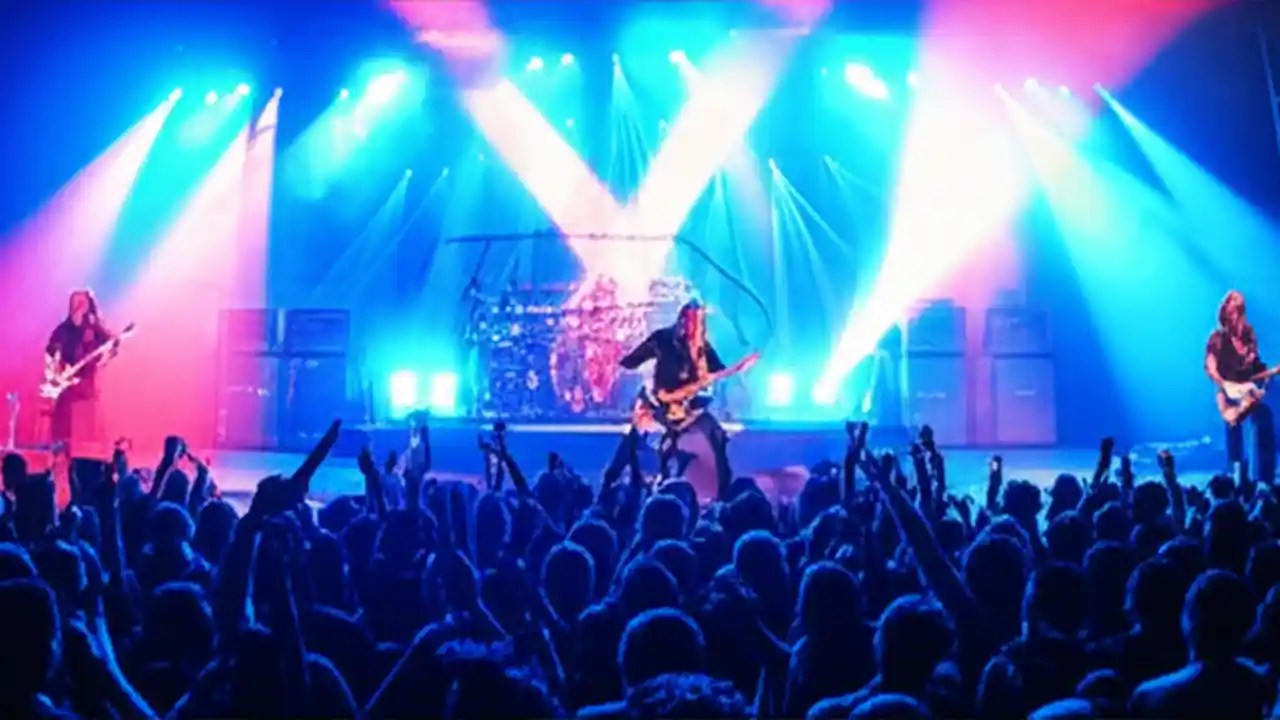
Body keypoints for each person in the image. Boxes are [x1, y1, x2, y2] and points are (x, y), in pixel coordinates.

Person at [619, 300, 755, 502]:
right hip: (662, 405)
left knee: (716, 437)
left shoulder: (702, 348)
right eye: (692, 321)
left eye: (699, 322)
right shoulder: (662, 340)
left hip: (689, 409)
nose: (695, 327)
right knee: (650, 448)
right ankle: (645, 490)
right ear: (683, 319)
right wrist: (646, 394)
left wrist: (740, 370)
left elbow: (717, 371)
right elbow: (631, 362)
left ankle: (722, 494)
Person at [1205, 290, 1275, 485]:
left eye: (1241, 310)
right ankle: (1236, 472)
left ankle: (1261, 475)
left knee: (1262, 414)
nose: (1239, 315)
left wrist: (1267, 373)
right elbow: (1212, 368)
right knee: (1233, 421)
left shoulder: (1249, 336)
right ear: (1226, 313)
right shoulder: (1217, 338)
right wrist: (1226, 384)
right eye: (1235, 310)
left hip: (1247, 387)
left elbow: (1254, 367)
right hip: (1226, 388)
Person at [44, 290, 117, 456]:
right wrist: (53, 373)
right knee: (62, 409)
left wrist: (104, 359)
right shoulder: (63, 329)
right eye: (74, 303)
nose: (77, 306)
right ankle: (59, 449)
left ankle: (90, 450)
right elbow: (50, 352)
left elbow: (112, 345)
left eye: (81, 303)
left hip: (87, 382)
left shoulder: (95, 328)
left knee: (87, 410)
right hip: (67, 381)